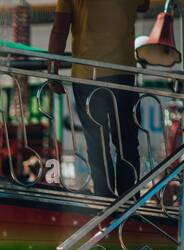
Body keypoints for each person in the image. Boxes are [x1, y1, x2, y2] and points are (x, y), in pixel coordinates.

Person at [46, 0, 149, 198]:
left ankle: (105, 201)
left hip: (87, 77)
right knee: (127, 142)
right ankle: (129, 202)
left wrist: (53, 71)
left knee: (96, 144)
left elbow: (60, 30)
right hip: (123, 75)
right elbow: (143, 5)